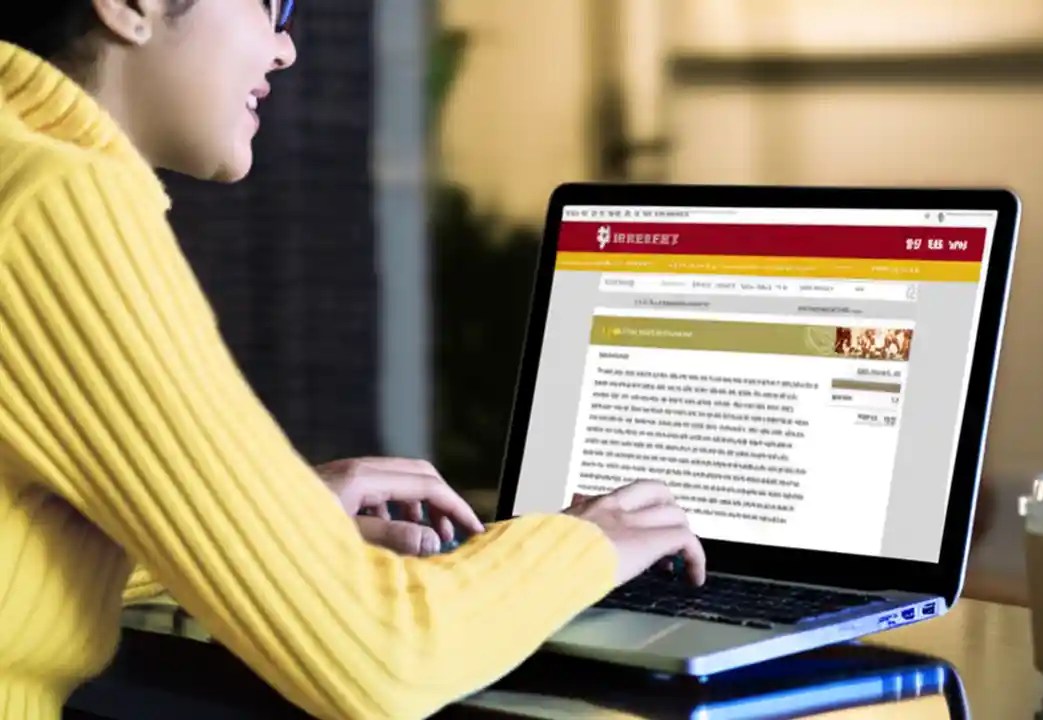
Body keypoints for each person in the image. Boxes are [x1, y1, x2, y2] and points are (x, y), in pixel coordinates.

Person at [0, 2, 706, 719]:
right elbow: (383, 660)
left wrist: (264, 523)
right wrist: (586, 546)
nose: (285, 51)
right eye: (271, 4)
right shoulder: (53, 201)